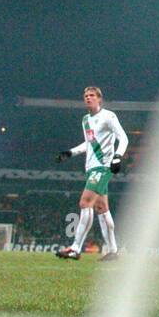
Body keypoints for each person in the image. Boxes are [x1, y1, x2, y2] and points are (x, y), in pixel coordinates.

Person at [55, 86, 127, 261]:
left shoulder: (108, 116)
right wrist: (71, 152)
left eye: (92, 95)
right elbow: (89, 143)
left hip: (103, 167)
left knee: (85, 202)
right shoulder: (86, 120)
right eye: (86, 95)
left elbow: (123, 138)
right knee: (102, 209)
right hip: (91, 168)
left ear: (99, 99)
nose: (88, 98)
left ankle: (75, 248)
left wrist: (117, 157)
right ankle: (113, 251)